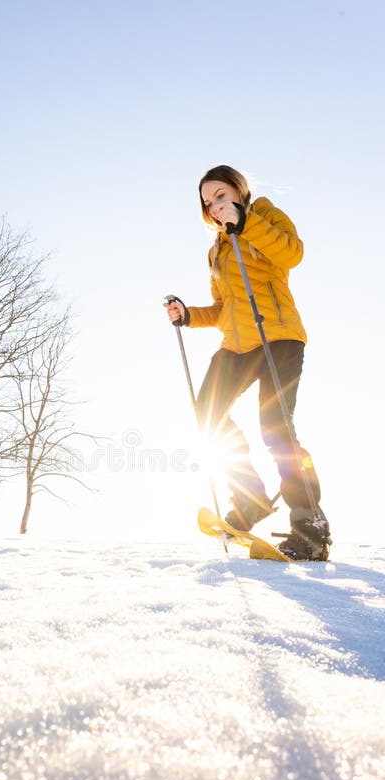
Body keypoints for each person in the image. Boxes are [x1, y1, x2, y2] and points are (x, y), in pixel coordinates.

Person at [164, 164, 331, 561]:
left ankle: (310, 526)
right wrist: (189, 315)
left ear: (238, 190)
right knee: (208, 413)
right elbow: (224, 308)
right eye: (208, 202)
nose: (215, 206)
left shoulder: (265, 215)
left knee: (276, 429)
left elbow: (292, 253)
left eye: (220, 195)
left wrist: (246, 223)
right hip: (236, 345)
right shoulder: (217, 249)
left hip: (278, 336)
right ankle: (250, 494)